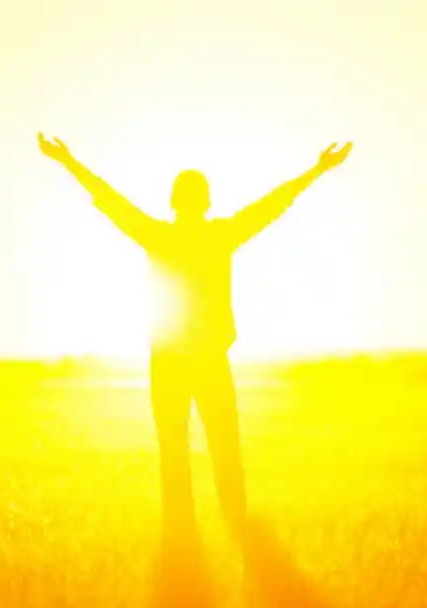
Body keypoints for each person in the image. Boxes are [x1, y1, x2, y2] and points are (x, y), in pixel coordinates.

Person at [39, 133, 352, 531]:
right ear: (206, 201)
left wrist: (67, 161)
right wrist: (319, 169)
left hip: (168, 361)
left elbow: (110, 201)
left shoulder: (159, 235)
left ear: (173, 201)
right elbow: (274, 205)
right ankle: (236, 525)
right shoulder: (220, 235)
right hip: (208, 359)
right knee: (225, 448)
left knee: (174, 451)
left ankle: (181, 530)